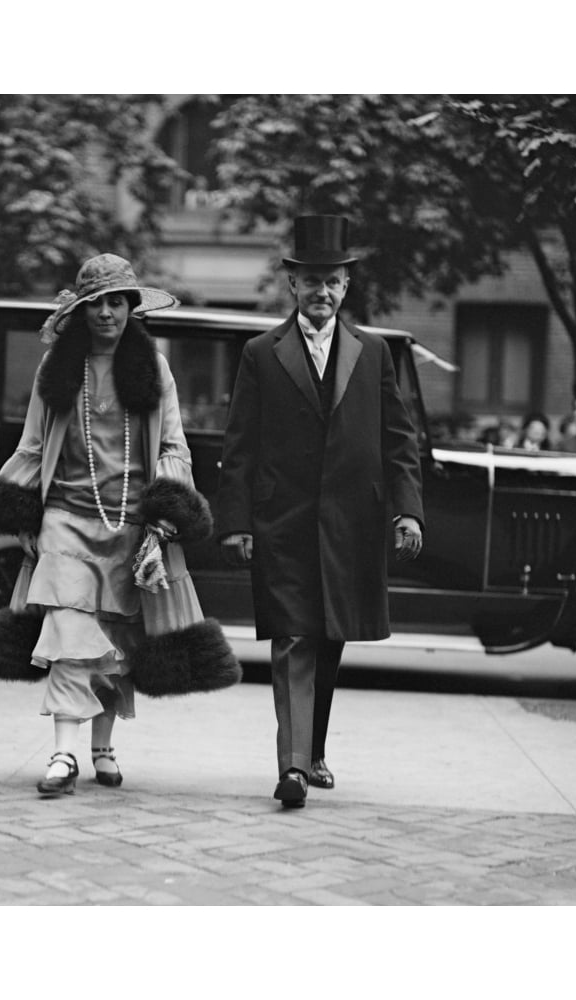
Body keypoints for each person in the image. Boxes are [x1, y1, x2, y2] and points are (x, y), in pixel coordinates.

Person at [0, 253, 240, 796]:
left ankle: (102, 745)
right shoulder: (57, 368)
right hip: (65, 521)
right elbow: (30, 446)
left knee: (116, 640)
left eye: (117, 302)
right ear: (81, 310)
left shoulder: (154, 369)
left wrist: (164, 523)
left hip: (131, 527)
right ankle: (64, 755)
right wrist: (21, 510)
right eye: (97, 304)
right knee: (70, 633)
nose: (107, 314)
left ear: (131, 308)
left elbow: (172, 446)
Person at [216, 215, 424, 809]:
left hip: (351, 525)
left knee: (330, 637)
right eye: (312, 281)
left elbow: (397, 440)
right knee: (294, 640)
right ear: (293, 284)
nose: (323, 293)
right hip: (282, 524)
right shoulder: (261, 353)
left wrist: (407, 512)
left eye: (333, 282)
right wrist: (235, 522)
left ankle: (314, 750)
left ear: (345, 287)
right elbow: (241, 445)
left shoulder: (374, 352)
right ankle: (292, 769)